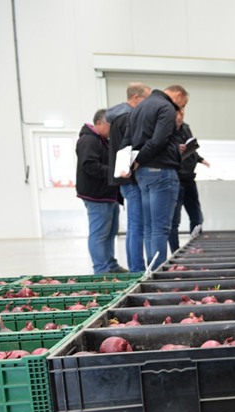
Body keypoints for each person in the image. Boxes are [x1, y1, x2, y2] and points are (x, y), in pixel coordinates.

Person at [124, 84, 190, 270]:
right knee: (160, 228)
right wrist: (140, 158)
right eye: (182, 105)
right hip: (161, 173)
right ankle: (159, 272)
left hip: (143, 174)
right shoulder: (166, 107)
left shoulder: (138, 109)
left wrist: (131, 163)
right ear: (178, 95)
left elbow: (128, 140)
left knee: (149, 227)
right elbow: (159, 140)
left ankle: (151, 270)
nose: (180, 110)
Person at [105, 82, 151, 272]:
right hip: (130, 179)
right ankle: (137, 270)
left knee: (134, 226)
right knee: (136, 226)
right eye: (146, 99)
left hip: (124, 178)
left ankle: (136, 268)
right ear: (135, 98)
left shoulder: (118, 117)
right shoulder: (127, 118)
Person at [76, 109, 125, 274]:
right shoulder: (88, 140)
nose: (112, 129)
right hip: (96, 195)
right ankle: (101, 270)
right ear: (99, 123)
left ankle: (111, 265)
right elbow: (89, 165)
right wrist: (114, 171)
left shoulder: (103, 140)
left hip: (108, 195)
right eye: (110, 125)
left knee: (110, 233)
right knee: (99, 234)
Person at [169, 108, 209, 252]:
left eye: (182, 114)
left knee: (197, 216)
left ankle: (195, 247)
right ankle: (175, 251)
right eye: (177, 114)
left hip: (190, 178)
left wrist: (200, 159)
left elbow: (191, 148)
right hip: (176, 179)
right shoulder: (167, 130)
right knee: (174, 220)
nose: (180, 117)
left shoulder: (186, 128)